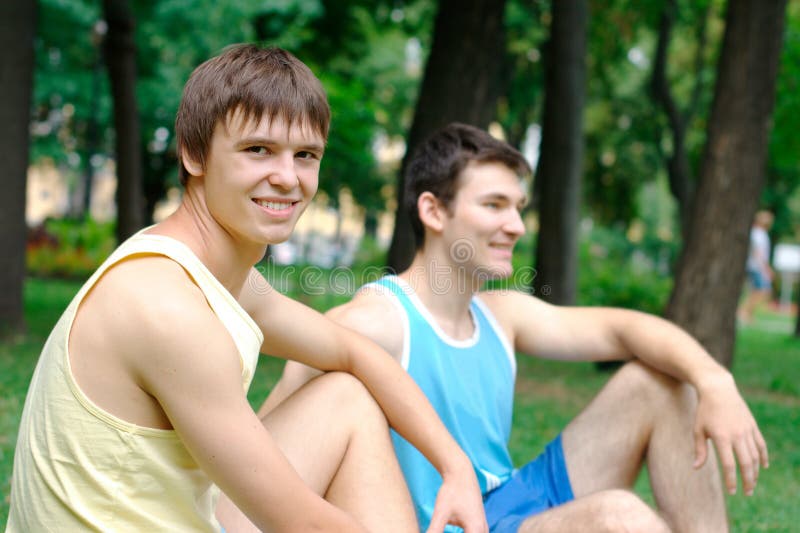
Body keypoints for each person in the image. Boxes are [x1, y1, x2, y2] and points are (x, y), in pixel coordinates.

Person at [7, 47, 487, 533]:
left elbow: (352, 352)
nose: (286, 178)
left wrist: (456, 467)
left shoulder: (213, 274)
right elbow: (299, 523)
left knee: (347, 398)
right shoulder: (165, 306)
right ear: (194, 155)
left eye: (305, 155)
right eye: (258, 149)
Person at [266, 123, 769, 532]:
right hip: (449, 524)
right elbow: (271, 444)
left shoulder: (500, 312)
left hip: (511, 501)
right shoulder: (376, 320)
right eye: (494, 205)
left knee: (660, 382)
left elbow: (624, 330)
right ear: (433, 210)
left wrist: (714, 380)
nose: (517, 225)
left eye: (518, 208)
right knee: (620, 517)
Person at [739, 210, 775, 323]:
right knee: (762, 290)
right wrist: (766, 268)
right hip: (757, 266)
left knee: (757, 290)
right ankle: (744, 311)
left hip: (755, 266)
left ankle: (747, 312)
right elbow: (758, 253)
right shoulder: (759, 234)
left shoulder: (757, 233)